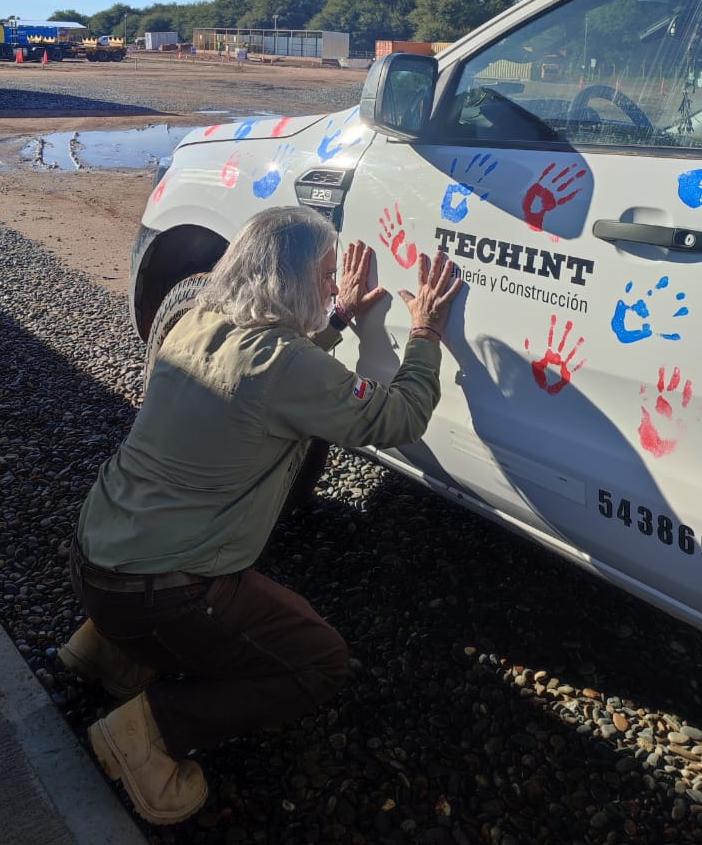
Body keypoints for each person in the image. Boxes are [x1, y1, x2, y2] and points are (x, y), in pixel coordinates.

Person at [58, 205, 462, 825]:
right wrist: (426, 336)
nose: (334, 284)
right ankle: (147, 732)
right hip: (161, 594)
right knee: (319, 660)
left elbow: (269, 379)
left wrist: (338, 318)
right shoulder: (285, 365)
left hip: (95, 561)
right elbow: (398, 417)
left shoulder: (195, 320)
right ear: (291, 278)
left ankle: (107, 651)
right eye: (326, 274)